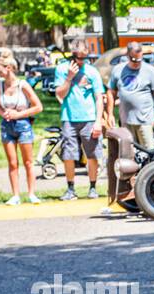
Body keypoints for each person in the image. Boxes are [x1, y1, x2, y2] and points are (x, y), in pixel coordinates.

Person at [54, 40, 105, 200]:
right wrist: (69, 77)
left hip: (90, 119)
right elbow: (60, 94)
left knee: (92, 154)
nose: (81, 61)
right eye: (78, 57)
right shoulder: (62, 69)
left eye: (85, 57)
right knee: (69, 154)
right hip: (69, 118)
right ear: (72, 55)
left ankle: (92, 187)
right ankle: (70, 189)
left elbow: (99, 98)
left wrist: (98, 121)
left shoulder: (92, 71)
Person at [0, 51, 43, 205]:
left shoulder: (23, 85)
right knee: (12, 163)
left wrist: (18, 114)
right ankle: (15, 195)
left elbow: (38, 107)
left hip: (23, 125)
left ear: (8, 68)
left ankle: (31, 194)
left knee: (28, 162)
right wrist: (4, 114)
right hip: (6, 126)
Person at [106, 42, 154, 150]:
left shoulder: (150, 71)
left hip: (145, 120)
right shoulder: (118, 70)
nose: (137, 63)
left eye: (139, 60)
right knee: (128, 152)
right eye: (134, 60)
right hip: (126, 120)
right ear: (127, 55)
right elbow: (111, 92)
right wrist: (110, 114)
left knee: (149, 150)